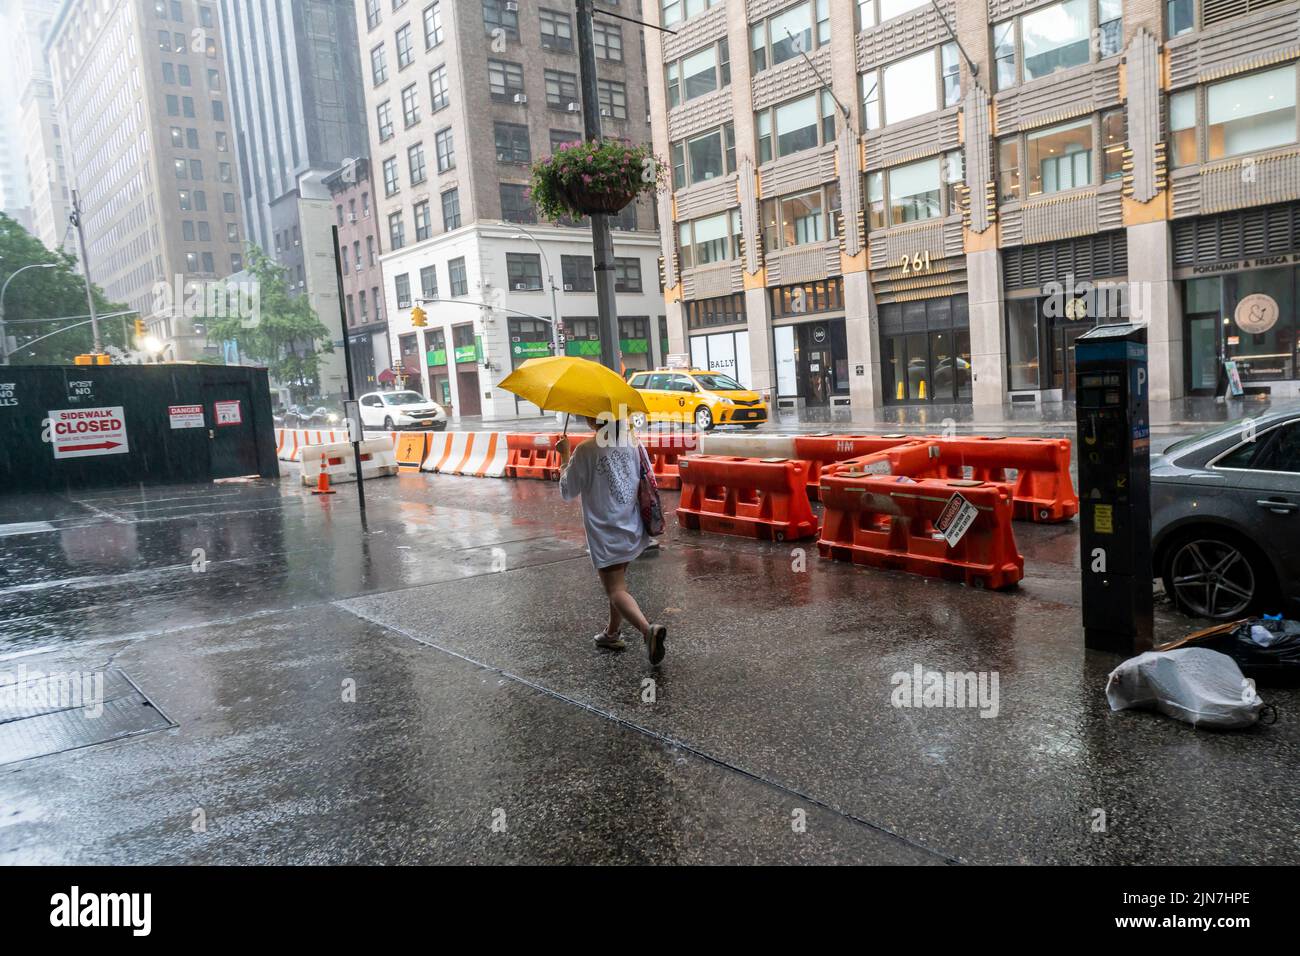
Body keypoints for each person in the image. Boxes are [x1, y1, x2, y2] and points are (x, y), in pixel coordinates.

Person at [557, 415, 667, 664]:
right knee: (618, 582)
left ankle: (647, 630)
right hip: (631, 524)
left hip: (605, 530)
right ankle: (612, 632)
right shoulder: (632, 442)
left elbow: (567, 491)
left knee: (615, 588)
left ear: (591, 419)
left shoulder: (586, 450)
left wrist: (564, 457)